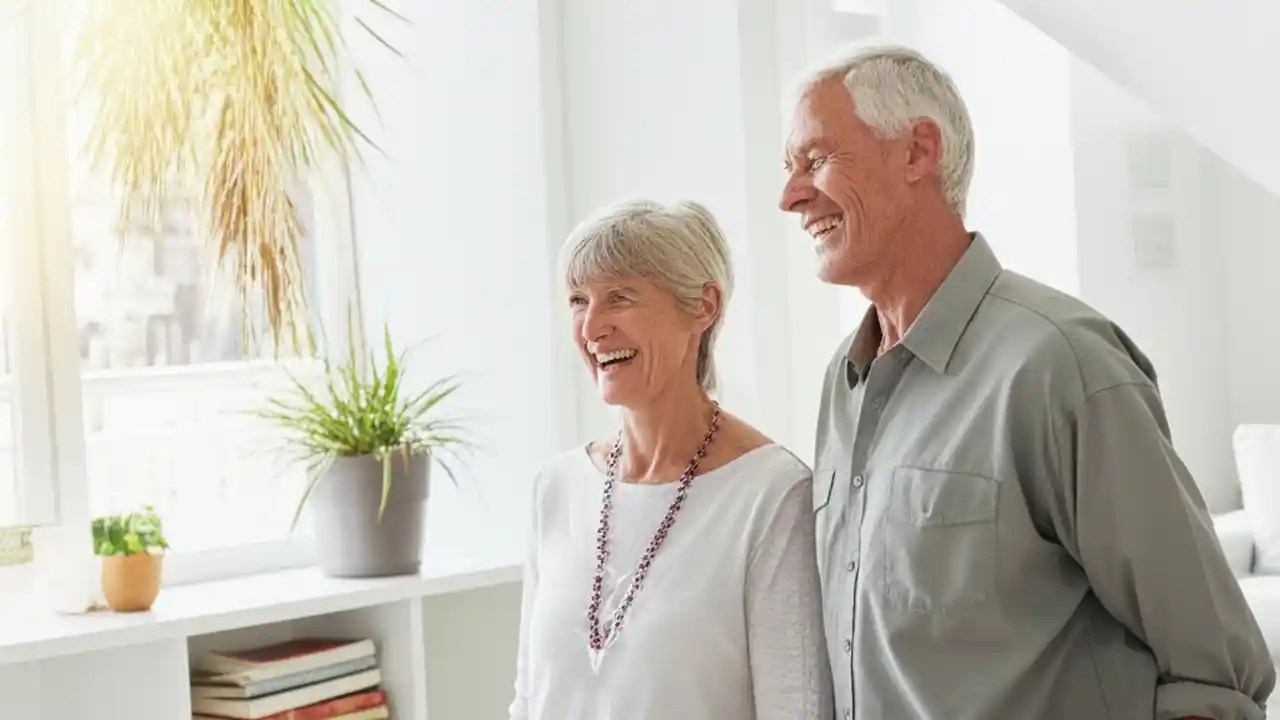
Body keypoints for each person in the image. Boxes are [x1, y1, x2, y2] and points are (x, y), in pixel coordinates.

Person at [778, 44, 1276, 720]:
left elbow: (1215, 671)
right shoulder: (845, 380)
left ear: (917, 151)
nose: (790, 196)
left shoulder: (1060, 364)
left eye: (815, 160)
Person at [508, 199, 834, 719]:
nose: (592, 328)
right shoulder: (556, 488)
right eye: (577, 300)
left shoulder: (772, 494)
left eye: (619, 298)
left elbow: (795, 707)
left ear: (704, 306)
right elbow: (527, 703)